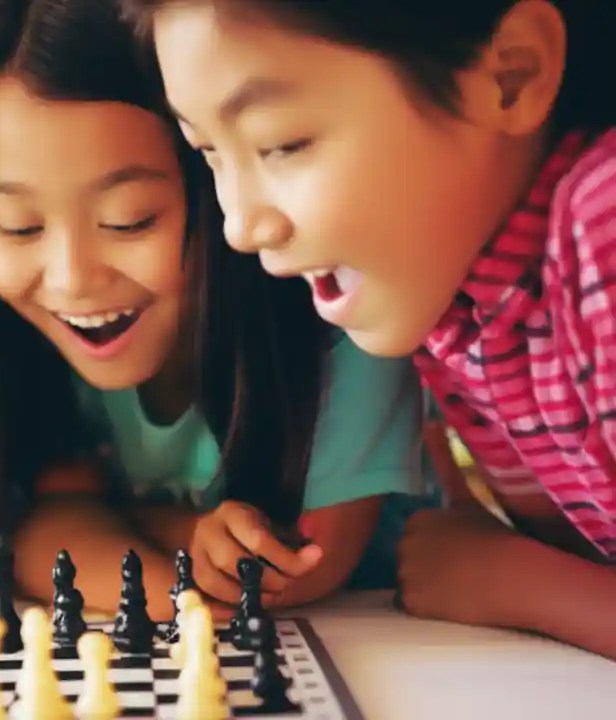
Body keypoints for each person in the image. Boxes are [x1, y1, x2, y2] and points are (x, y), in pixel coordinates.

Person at [129, 0, 616, 657]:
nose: (240, 226)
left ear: (511, 75)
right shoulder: (453, 301)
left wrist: (517, 581)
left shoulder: (603, 224)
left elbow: (536, 572)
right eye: (210, 153)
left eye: (281, 144)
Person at [0, 0, 427, 615]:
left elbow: (299, 565)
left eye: (129, 220)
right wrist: (178, 558)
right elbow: (42, 536)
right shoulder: (33, 345)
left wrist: (134, 528)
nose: (73, 279)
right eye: (18, 227)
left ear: (219, 180)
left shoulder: (340, 321)